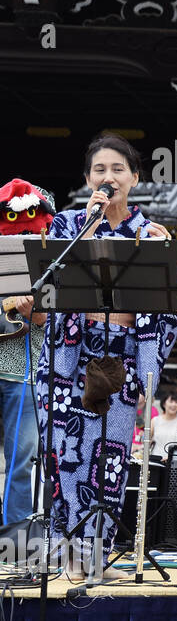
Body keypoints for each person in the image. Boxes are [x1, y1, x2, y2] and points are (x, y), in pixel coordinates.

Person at [24, 134, 177, 580]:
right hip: (69, 358)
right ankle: (68, 555)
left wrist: (164, 255)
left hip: (122, 359)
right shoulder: (66, 227)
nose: (108, 177)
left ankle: (97, 554)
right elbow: (43, 294)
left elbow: (170, 304)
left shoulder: (151, 234)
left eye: (117, 169)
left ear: (134, 177)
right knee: (68, 456)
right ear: (87, 178)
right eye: (99, 170)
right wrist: (88, 229)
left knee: (109, 459)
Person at [0, 177, 54, 525]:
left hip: (23, 370)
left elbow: (50, 318)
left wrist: (29, 309)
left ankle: (15, 538)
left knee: (21, 459)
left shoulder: (50, 263)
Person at [148, 386, 177, 454]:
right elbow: (146, 440)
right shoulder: (155, 421)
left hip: (174, 460)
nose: (174, 405)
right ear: (164, 404)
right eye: (171, 401)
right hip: (156, 460)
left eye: (176, 402)